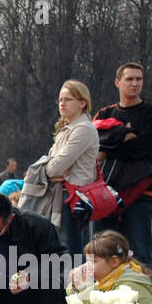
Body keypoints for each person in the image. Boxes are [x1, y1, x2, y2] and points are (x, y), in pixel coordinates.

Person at [93, 62, 152, 263]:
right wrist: (122, 140)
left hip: (140, 192)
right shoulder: (105, 114)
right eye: (129, 79)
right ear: (118, 82)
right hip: (106, 193)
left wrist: (109, 148)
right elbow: (93, 147)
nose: (135, 83)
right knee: (102, 252)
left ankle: (142, 293)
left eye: (139, 79)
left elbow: (145, 147)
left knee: (140, 253)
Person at [46, 80, 101, 256]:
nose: (62, 103)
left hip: (74, 196)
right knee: (62, 250)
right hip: (62, 195)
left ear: (82, 103)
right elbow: (52, 166)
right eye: (60, 99)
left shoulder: (83, 129)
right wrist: (47, 169)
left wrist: (44, 170)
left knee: (69, 251)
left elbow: (54, 168)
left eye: (68, 99)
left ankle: (74, 284)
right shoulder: (67, 129)